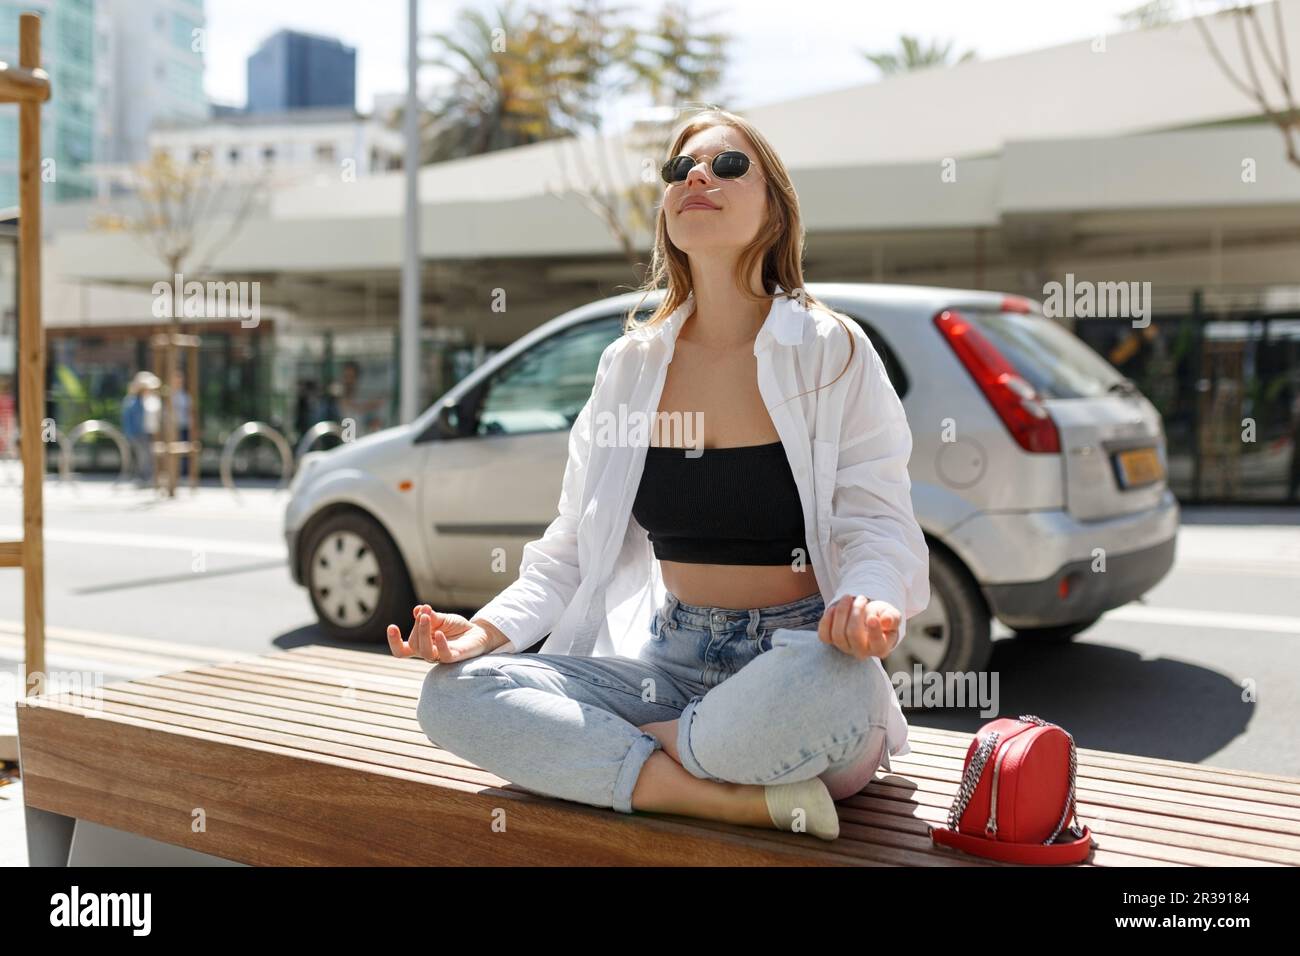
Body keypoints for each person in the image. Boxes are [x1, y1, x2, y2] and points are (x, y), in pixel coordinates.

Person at [390, 108, 930, 841]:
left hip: (797, 663)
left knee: (833, 690)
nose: (697, 176)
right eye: (680, 170)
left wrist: (868, 601)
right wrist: (479, 634)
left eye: (728, 165)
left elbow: (877, 520)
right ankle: (720, 792)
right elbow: (571, 549)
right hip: (666, 668)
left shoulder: (829, 349)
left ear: (774, 213)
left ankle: (642, 762)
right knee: (454, 697)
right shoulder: (630, 367)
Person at [122, 371, 161, 487]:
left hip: (146, 433)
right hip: (136, 433)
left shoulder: (148, 400)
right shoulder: (132, 401)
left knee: (146, 456)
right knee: (142, 456)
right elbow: (128, 419)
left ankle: (146, 477)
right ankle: (142, 478)